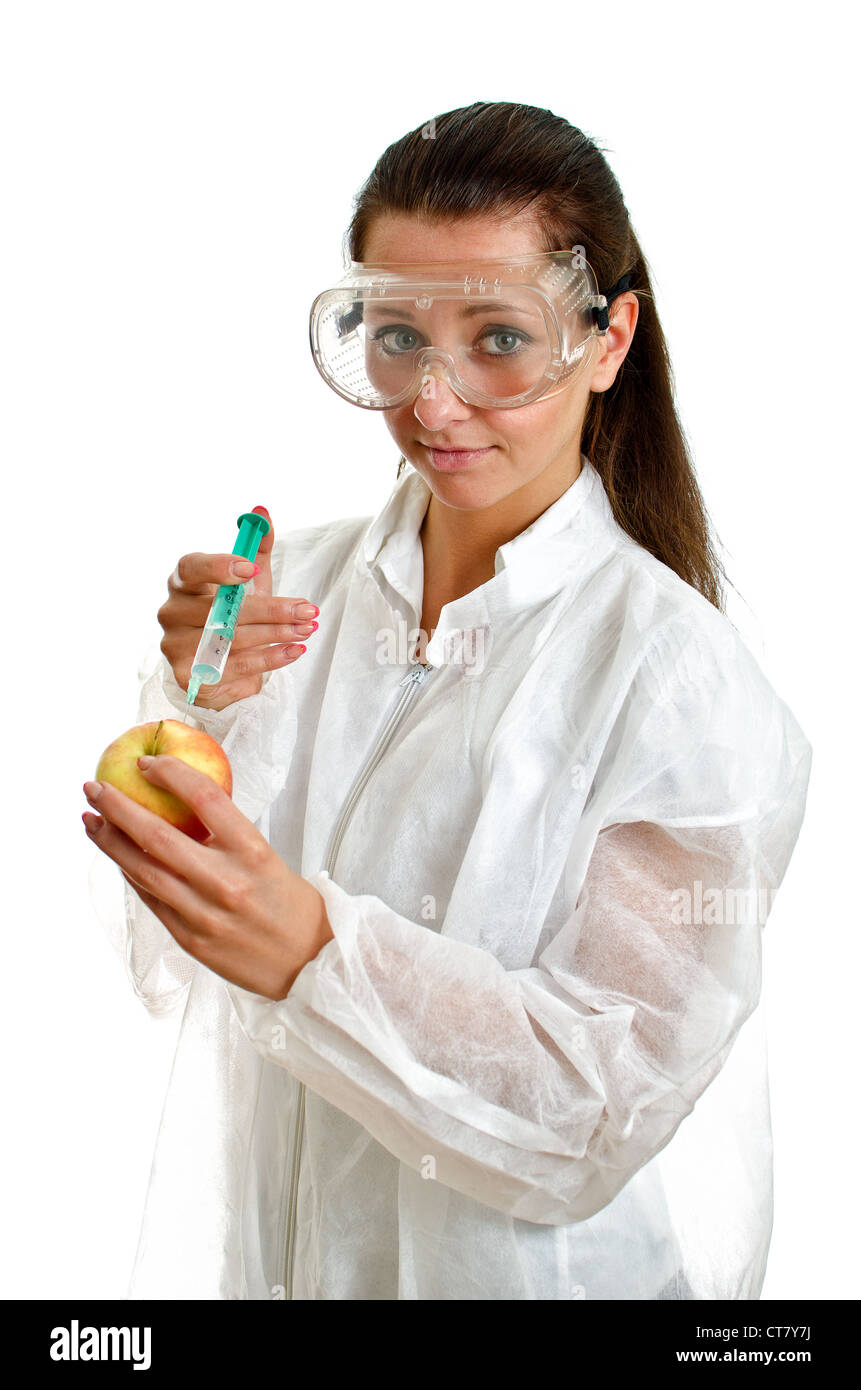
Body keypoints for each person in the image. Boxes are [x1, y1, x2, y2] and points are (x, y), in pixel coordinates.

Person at [83, 101, 811, 1300]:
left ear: (610, 339)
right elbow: (160, 972)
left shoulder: (680, 681)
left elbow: (595, 1111)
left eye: (499, 339)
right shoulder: (291, 595)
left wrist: (314, 951)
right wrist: (195, 708)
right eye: (397, 334)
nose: (431, 397)